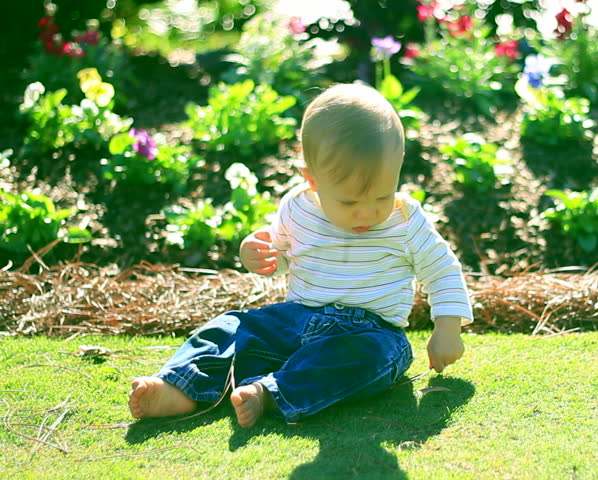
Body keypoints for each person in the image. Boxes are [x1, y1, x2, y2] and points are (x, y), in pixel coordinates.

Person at [128, 83, 474, 428]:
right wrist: (257, 255)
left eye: (382, 196)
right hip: (297, 320)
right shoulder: (297, 207)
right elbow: (281, 257)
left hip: (371, 332)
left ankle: (271, 392)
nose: (367, 213)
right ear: (312, 180)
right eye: (350, 202)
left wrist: (447, 328)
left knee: (373, 359)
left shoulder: (406, 220)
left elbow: (441, 270)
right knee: (233, 327)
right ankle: (180, 385)